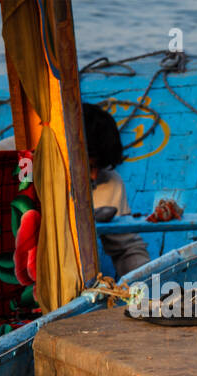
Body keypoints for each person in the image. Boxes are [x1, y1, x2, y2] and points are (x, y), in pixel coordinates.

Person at [81, 103, 148, 278]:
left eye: (100, 167)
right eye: (90, 166)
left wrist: (153, 286)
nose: (95, 176)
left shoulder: (110, 181)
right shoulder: (24, 162)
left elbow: (126, 248)